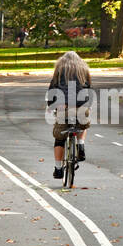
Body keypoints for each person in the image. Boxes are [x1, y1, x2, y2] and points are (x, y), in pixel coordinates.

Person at [47, 50, 93, 179]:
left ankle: (58, 169)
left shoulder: (60, 69)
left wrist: (51, 104)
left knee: (59, 138)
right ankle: (81, 144)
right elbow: (89, 89)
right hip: (81, 106)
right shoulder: (84, 69)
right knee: (83, 125)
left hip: (64, 107)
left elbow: (53, 88)